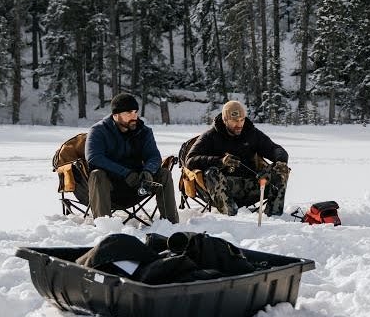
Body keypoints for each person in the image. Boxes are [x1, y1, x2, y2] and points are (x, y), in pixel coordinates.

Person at [184, 100, 290, 216]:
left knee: (281, 168)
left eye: (242, 120)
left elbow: (275, 149)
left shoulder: (251, 133)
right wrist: (220, 161)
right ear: (225, 120)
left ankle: (274, 216)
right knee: (211, 172)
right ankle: (229, 216)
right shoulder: (210, 136)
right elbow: (190, 160)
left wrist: (280, 161)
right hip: (224, 187)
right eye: (235, 121)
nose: (239, 124)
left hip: (252, 184)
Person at [85, 93, 178, 223]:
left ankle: (171, 226)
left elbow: (154, 156)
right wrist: (125, 173)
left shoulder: (144, 131)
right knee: (97, 175)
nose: (134, 116)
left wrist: (148, 171)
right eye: (129, 113)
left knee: (164, 173)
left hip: (137, 184)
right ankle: (104, 227)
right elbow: (94, 158)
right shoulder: (98, 131)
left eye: (135, 112)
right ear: (116, 115)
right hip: (110, 188)